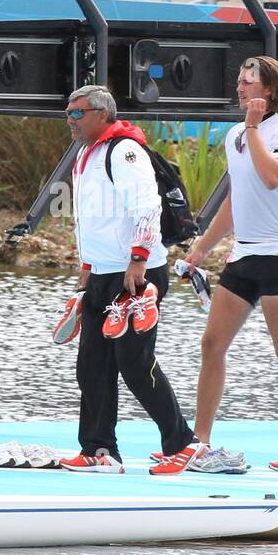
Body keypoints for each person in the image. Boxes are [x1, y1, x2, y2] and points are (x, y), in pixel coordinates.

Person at [160, 58, 278, 480]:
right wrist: (200, 251)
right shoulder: (235, 135)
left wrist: (252, 127)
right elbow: (236, 199)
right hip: (242, 256)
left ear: (269, 91)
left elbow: (271, 177)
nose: (240, 87)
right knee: (211, 345)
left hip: (277, 258)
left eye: (249, 82)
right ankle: (201, 443)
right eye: (239, 80)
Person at [59, 86, 195, 473]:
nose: (69, 120)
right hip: (102, 273)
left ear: (102, 114)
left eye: (77, 113)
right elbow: (90, 219)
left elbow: (148, 208)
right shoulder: (87, 153)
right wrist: (87, 270)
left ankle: (182, 444)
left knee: (135, 363)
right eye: (67, 113)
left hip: (137, 274)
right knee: (92, 366)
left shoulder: (124, 150)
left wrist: (137, 261)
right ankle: (99, 450)